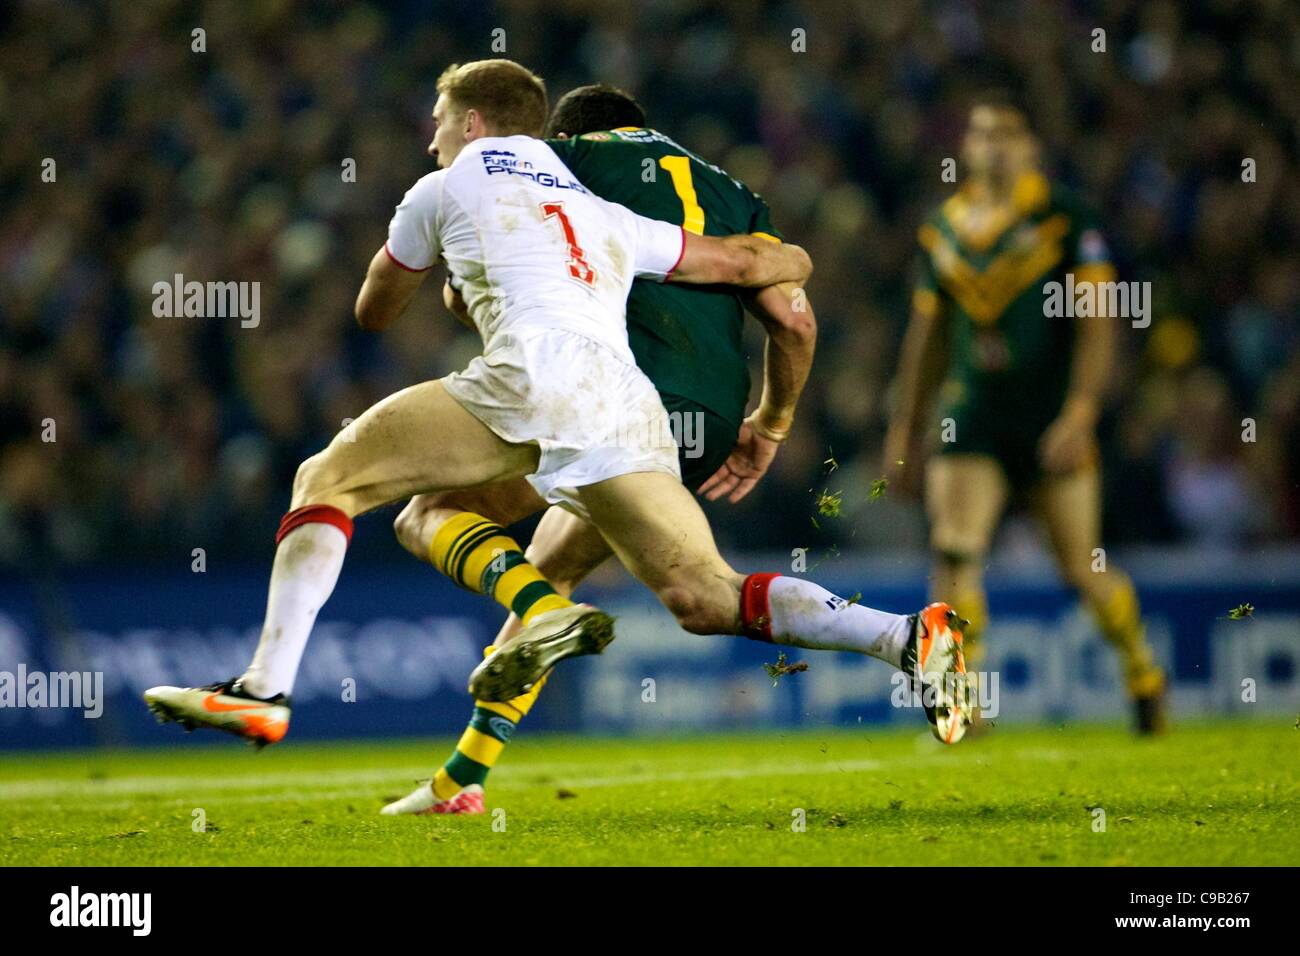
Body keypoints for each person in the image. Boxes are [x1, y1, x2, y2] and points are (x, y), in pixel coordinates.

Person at [883, 93, 1166, 734]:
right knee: (955, 548)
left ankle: (1143, 672)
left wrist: (1081, 411)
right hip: (972, 412)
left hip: (1049, 415)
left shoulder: (1068, 220)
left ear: (1032, 146)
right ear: (966, 148)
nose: (996, 146)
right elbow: (925, 340)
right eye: (984, 133)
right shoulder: (943, 229)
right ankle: (965, 700)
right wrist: (905, 428)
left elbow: (1098, 323)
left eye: (1009, 133)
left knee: (1080, 567)